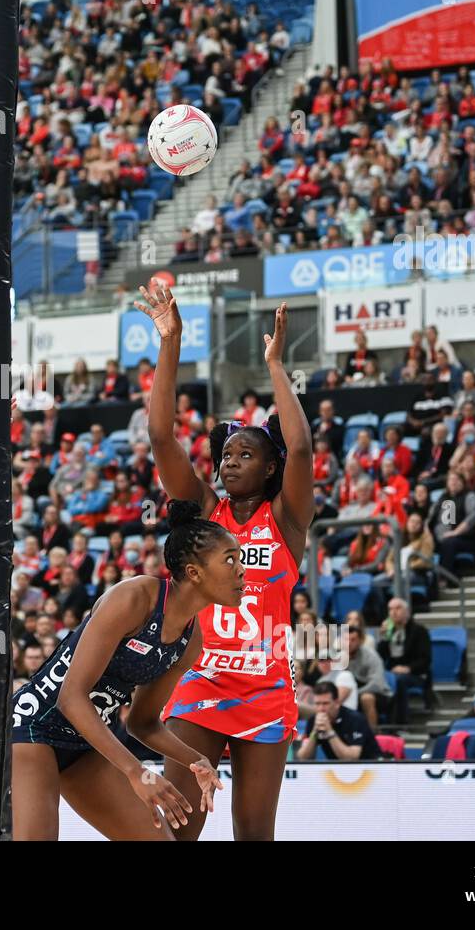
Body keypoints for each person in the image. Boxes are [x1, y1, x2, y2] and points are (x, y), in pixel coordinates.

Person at [139, 284, 314, 841]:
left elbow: (303, 449)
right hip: (200, 678)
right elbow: (161, 437)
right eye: (226, 454)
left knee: (253, 835)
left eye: (246, 454)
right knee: (177, 828)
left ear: (270, 469)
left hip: (266, 688)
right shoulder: (206, 515)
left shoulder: (286, 520)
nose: (230, 461)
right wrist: (172, 343)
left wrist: (275, 365)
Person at [10, 500, 234, 840]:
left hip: (85, 741)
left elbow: (142, 723)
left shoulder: (191, 640)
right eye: (230, 560)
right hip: (34, 724)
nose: (242, 569)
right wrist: (137, 771)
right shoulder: (135, 597)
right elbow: (70, 698)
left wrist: (197, 759)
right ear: (194, 571)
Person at [376, 598, 432, 723]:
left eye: (398, 608)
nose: (393, 612)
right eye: (390, 609)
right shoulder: (390, 632)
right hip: (392, 673)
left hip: (415, 674)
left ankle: (400, 722)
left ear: (407, 612)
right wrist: (384, 638)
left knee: (398, 680)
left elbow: (426, 660)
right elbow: (379, 658)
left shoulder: (419, 631)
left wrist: (408, 668)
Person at [296, 680, 381, 760]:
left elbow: (352, 758)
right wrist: (314, 732)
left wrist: (330, 732)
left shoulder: (355, 719)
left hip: (371, 767)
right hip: (336, 769)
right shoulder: (314, 720)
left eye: (325, 703)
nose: (321, 709)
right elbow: (302, 756)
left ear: (337, 703)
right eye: (317, 704)